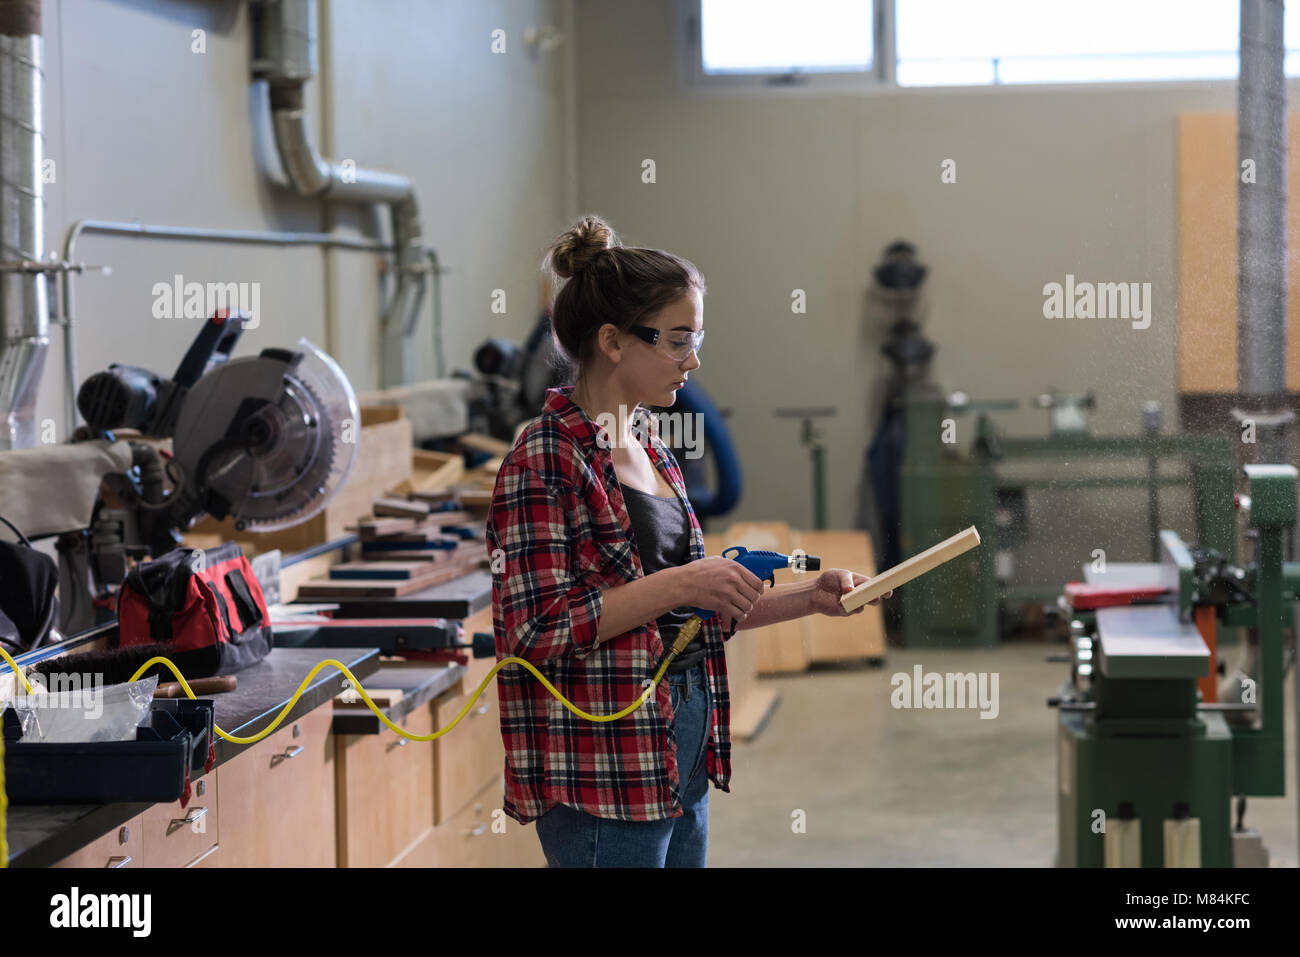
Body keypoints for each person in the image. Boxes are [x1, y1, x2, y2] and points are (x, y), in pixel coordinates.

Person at [485, 214, 888, 868]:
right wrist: (681, 581)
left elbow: (692, 611)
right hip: (604, 768)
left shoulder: (655, 448)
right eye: (675, 339)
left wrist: (810, 597)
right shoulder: (545, 459)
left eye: (694, 338)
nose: (692, 359)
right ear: (613, 341)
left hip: (678, 747)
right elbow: (535, 628)